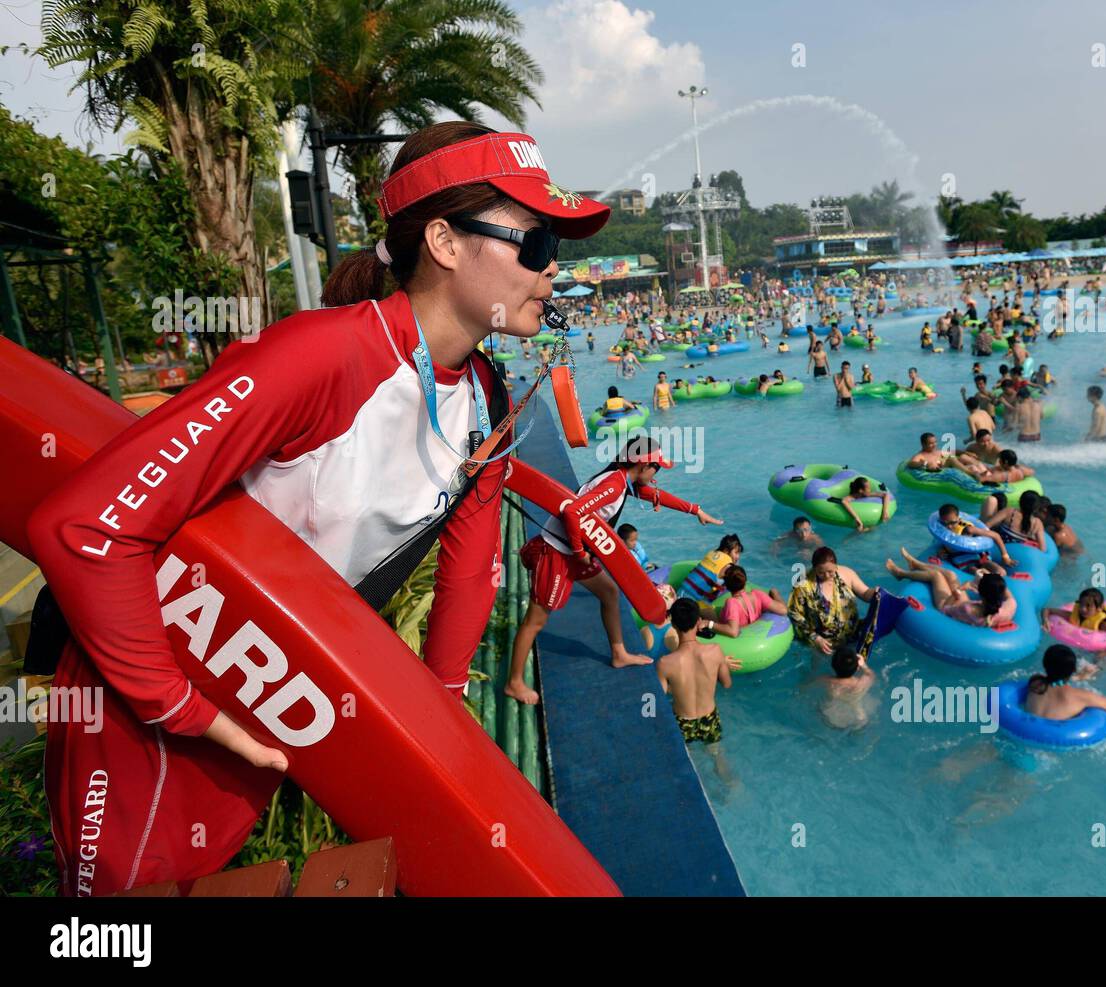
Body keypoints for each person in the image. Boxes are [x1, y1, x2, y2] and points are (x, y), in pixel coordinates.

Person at [23, 120, 608, 895]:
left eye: (556, 250)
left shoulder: (486, 395)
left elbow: (469, 576)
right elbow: (85, 526)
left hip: (273, 702)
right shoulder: (324, 356)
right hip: (149, 696)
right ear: (443, 240)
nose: (550, 271)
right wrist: (178, 707)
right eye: (533, 246)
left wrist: (436, 735)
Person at [508, 437, 723, 704]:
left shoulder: (624, 480)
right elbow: (573, 512)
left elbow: (657, 496)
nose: (657, 474)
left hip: (574, 551)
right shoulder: (613, 485)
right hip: (558, 552)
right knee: (536, 620)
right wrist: (579, 552)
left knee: (610, 592)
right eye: (657, 467)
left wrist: (696, 510)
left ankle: (619, 653)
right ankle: (514, 683)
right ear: (643, 465)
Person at [656, 598, 738, 745]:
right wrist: (719, 665)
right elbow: (727, 684)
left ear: (673, 624)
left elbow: (659, 699)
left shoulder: (664, 663)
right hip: (709, 717)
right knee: (717, 756)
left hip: (682, 721)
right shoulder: (715, 651)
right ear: (699, 621)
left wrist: (675, 685)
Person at [1022, 645, 1106, 719]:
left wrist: (1079, 677)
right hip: (1048, 745)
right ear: (1072, 670)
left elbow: (1053, 681)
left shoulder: (1035, 681)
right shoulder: (1079, 696)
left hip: (1023, 730)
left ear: (1045, 664)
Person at [883, 550, 1016, 627]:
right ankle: (916, 564)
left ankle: (901, 574)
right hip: (966, 604)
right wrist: (993, 580)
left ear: (981, 593)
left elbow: (946, 608)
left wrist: (960, 590)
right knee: (951, 575)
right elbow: (1008, 596)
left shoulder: (968, 610)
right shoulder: (1005, 610)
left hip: (948, 605)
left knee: (936, 576)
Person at [787, 546, 877, 654]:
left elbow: (865, 593)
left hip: (852, 636)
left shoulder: (846, 574)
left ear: (836, 566)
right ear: (814, 568)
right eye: (821, 572)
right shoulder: (803, 583)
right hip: (822, 644)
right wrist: (816, 638)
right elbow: (794, 613)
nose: (826, 576)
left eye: (830, 571)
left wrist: (876, 592)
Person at [1041, 588, 1106, 658]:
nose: (1083, 609)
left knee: (1099, 661)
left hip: (1097, 649)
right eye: (1081, 604)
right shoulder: (1074, 616)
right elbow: (1047, 610)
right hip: (1079, 646)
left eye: (1088, 606)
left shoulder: (1102, 625)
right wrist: (1046, 621)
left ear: (1098, 609)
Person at [713, 566, 788, 638]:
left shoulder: (732, 603)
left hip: (735, 634)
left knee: (706, 609)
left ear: (727, 586)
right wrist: (776, 594)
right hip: (755, 630)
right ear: (745, 582)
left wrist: (709, 624)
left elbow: (733, 632)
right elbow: (784, 610)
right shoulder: (758, 595)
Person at [679, 533, 745, 613]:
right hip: (695, 600)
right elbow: (737, 586)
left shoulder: (711, 553)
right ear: (726, 551)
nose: (738, 557)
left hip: (680, 591)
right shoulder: (728, 567)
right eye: (736, 553)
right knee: (716, 622)